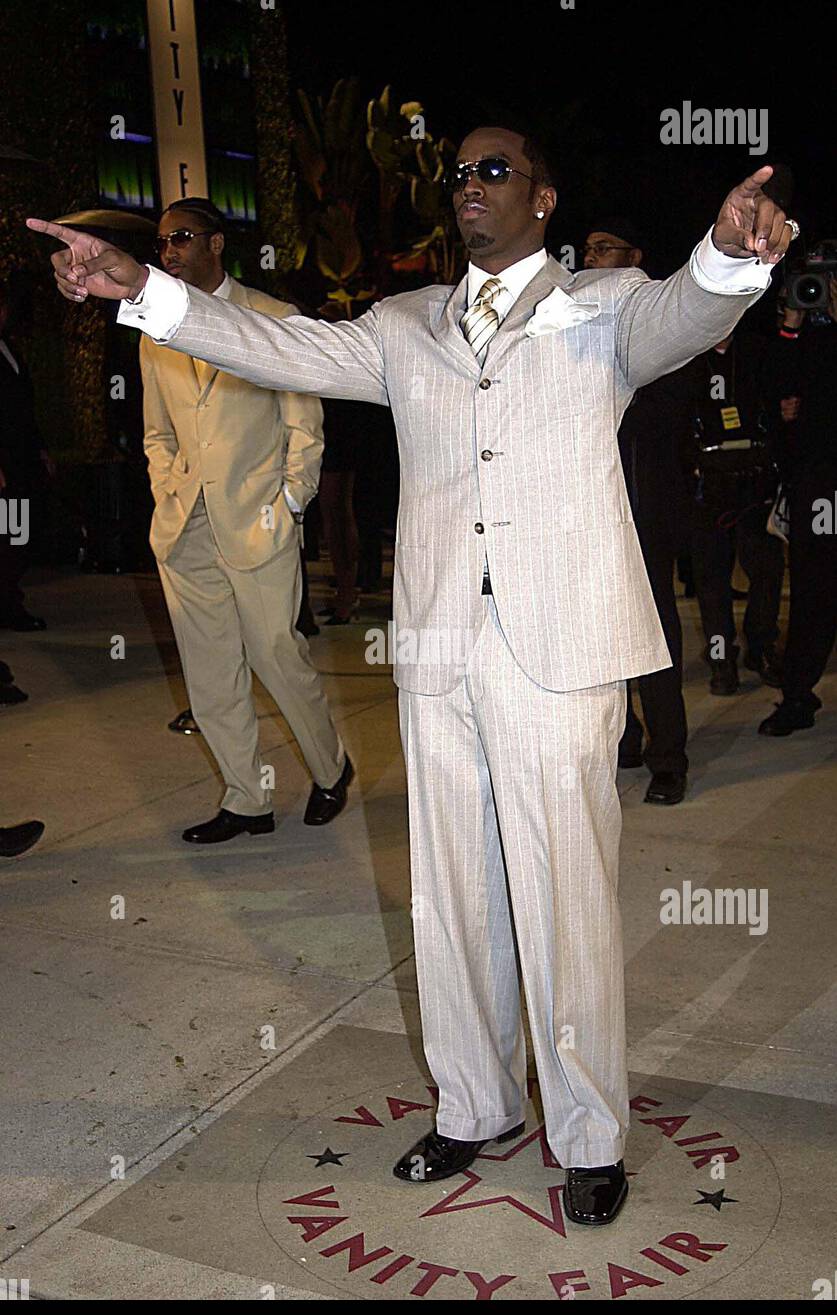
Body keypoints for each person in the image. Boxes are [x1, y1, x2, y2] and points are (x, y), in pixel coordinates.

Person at [29, 135, 794, 1226]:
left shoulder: (603, 305)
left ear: (544, 194)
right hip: (438, 647)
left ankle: (586, 1133)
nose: (468, 189)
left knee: (563, 896)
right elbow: (277, 348)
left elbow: (690, 312)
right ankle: (473, 1104)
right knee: (450, 892)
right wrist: (142, 288)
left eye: (493, 172)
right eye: (458, 176)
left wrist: (728, 252)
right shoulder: (403, 325)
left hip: (561, 647)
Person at [128, 197, 351, 841]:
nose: (169, 250)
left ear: (218, 243)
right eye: (163, 241)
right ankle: (245, 796)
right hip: (185, 522)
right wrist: (165, 489)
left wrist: (291, 502)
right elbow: (156, 432)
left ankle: (330, 769)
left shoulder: (274, 319)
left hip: (258, 519)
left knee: (279, 654)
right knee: (209, 666)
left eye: (183, 237)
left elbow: (304, 428)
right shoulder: (156, 330)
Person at [584, 220, 691, 805]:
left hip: (647, 502)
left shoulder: (654, 318)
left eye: (604, 248)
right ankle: (621, 737)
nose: (591, 256)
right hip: (593, 503)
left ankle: (668, 756)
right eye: (589, 247)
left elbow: (669, 411)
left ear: (634, 255)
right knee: (600, 628)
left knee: (654, 631)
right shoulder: (576, 316)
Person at [684, 328, 785, 695]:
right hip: (706, 488)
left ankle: (761, 646)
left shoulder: (756, 356)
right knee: (712, 583)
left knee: (768, 568)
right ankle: (721, 660)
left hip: (754, 483)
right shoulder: (687, 360)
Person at [759, 276, 837, 734]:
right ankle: (796, 698)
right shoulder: (810, 336)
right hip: (819, 481)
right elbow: (777, 386)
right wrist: (791, 324)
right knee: (813, 594)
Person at [0, 280, 53, 632]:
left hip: (21, 460)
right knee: (9, 536)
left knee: (17, 534)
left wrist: (40, 449)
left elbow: (23, 407)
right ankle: (7, 605)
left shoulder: (9, 347)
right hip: (5, 466)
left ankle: (8, 600)